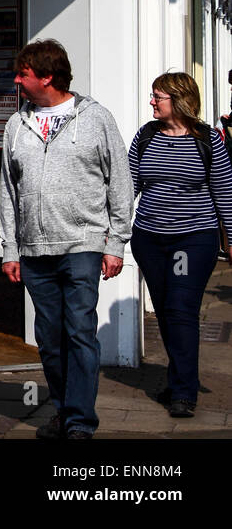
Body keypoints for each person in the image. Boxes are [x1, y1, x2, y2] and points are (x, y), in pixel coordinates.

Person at [0, 39, 133, 440]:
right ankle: (63, 409)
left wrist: (115, 243)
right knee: (50, 340)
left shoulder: (95, 118)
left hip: (82, 245)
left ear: (47, 77)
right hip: (35, 251)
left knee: (78, 332)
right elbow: (8, 190)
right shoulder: (16, 124)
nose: (18, 80)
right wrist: (10, 247)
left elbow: (120, 183)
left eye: (23, 73)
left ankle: (79, 421)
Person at [129, 72, 232, 419]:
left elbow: (224, 193)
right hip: (149, 240)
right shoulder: (145, 136)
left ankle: (185, 392)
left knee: (181, 309)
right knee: (165, 309)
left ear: (178, 99)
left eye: (157, 96)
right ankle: (177, 381)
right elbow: (127, 186)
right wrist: (112, 234)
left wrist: (231, 238)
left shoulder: (208, 140)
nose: (151, 102)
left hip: (192, 240)